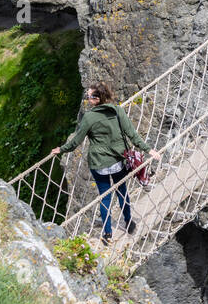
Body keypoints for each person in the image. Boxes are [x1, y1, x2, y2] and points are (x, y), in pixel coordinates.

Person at [50, 83, 162, 244]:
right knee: (122, 192)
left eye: (88, 97)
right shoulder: (117, 111)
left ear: (96, 99)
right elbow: (132, 134)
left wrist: (61, 149)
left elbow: (76, 141)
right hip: (117, 160)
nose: (86, 99)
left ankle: (108, 233)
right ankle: (129, 222)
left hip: (99, 164)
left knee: (105, 198)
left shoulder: (89, 117)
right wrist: (148, 150)